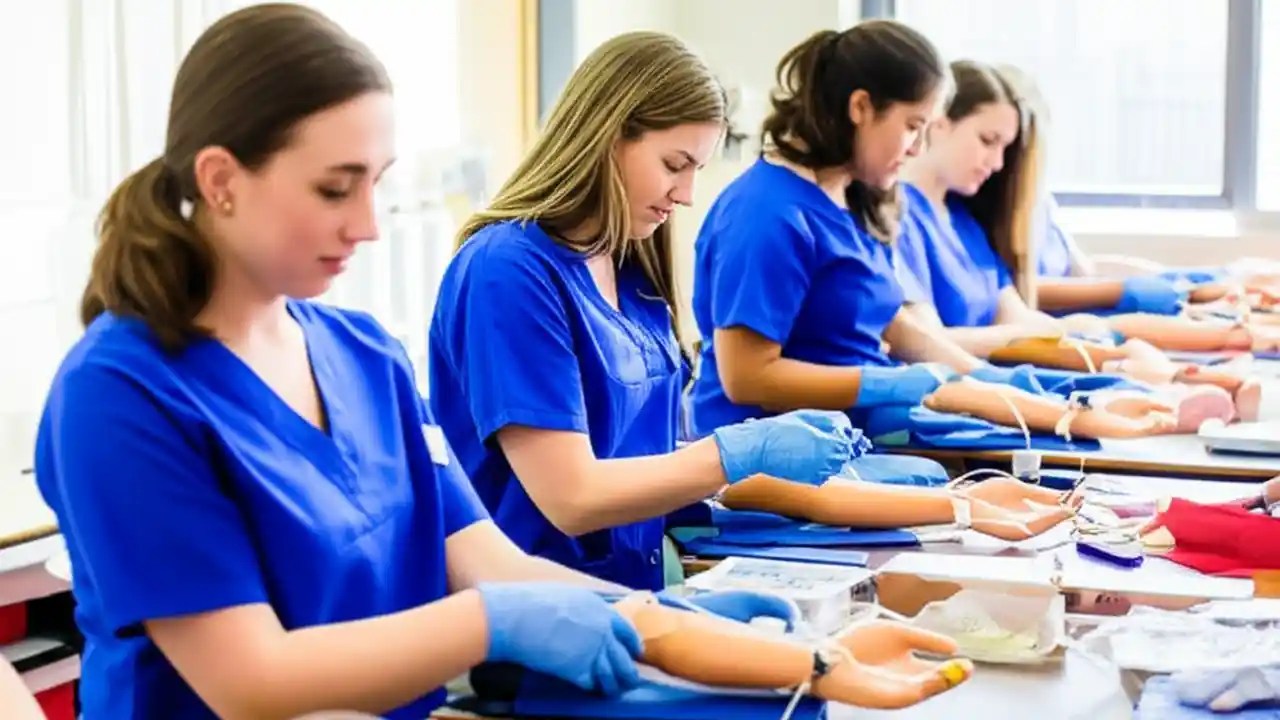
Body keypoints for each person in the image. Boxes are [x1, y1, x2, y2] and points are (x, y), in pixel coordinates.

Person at [33, 8, 796, 718]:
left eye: (378, 183)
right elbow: (248, 682)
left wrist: (662, 617)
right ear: (221, 180)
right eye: (336, 188)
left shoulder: (363, 356)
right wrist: (485, 625)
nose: (368, 225)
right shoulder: (121, 394)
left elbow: (490, 562)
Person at [429, 31, 860, 593]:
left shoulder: (631, 273)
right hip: (542, 621)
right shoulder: (506, 271)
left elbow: (645, 460)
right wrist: (736, 451)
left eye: (696, 171)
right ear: (608, 137)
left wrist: (926, 504)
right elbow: (572, 497)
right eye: (674, 164)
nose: (684, 195)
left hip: (634, 595)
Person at [688, 20, 1073, 536]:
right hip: (766, 466)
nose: (916, 147)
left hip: (843, 445)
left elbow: (896, 326)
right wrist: (885, 382)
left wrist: (980, 379)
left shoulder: (848, 198)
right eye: (913, 125)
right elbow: (747, 377)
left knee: (956, 488)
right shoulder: (767, 214)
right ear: (861, 107)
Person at [899, 60, 1280, 358]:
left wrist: (1092, 336)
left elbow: (1021, 314)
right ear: (939, 125)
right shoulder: (903, 218)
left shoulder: (964, 222)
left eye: (1004, 148)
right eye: (987, 141)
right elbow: (928, 342)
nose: (998, 163)